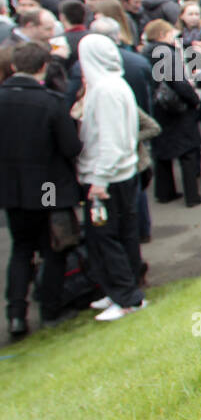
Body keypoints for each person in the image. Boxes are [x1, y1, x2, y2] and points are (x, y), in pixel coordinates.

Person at [0, 42, 81, 337]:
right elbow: (70, 146)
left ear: (13, 67)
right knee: (52, 248)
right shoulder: (51, 102)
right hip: (47, 186)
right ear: (44, 67)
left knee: (21, 249)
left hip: (12, 188)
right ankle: (49, 310)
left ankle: (16, 315)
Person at [74, 35, 146, 321]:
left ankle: (127, 297)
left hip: (108, 177)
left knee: (107, 237)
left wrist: (99, 180)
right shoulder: (113, 85)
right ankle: (122, 289)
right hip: (120, 172)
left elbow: (110, 142)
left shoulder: (105, 90)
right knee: (121, 233)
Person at [143, 20, 201, 208]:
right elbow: (178, 82)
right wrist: (194, 99)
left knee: (162, 151)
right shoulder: (165, 53)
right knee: (186, 151)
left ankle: (165, 192)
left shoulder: (146, 52)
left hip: (157, 108)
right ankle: (192, 196)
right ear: (162, 34)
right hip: (176, 109)